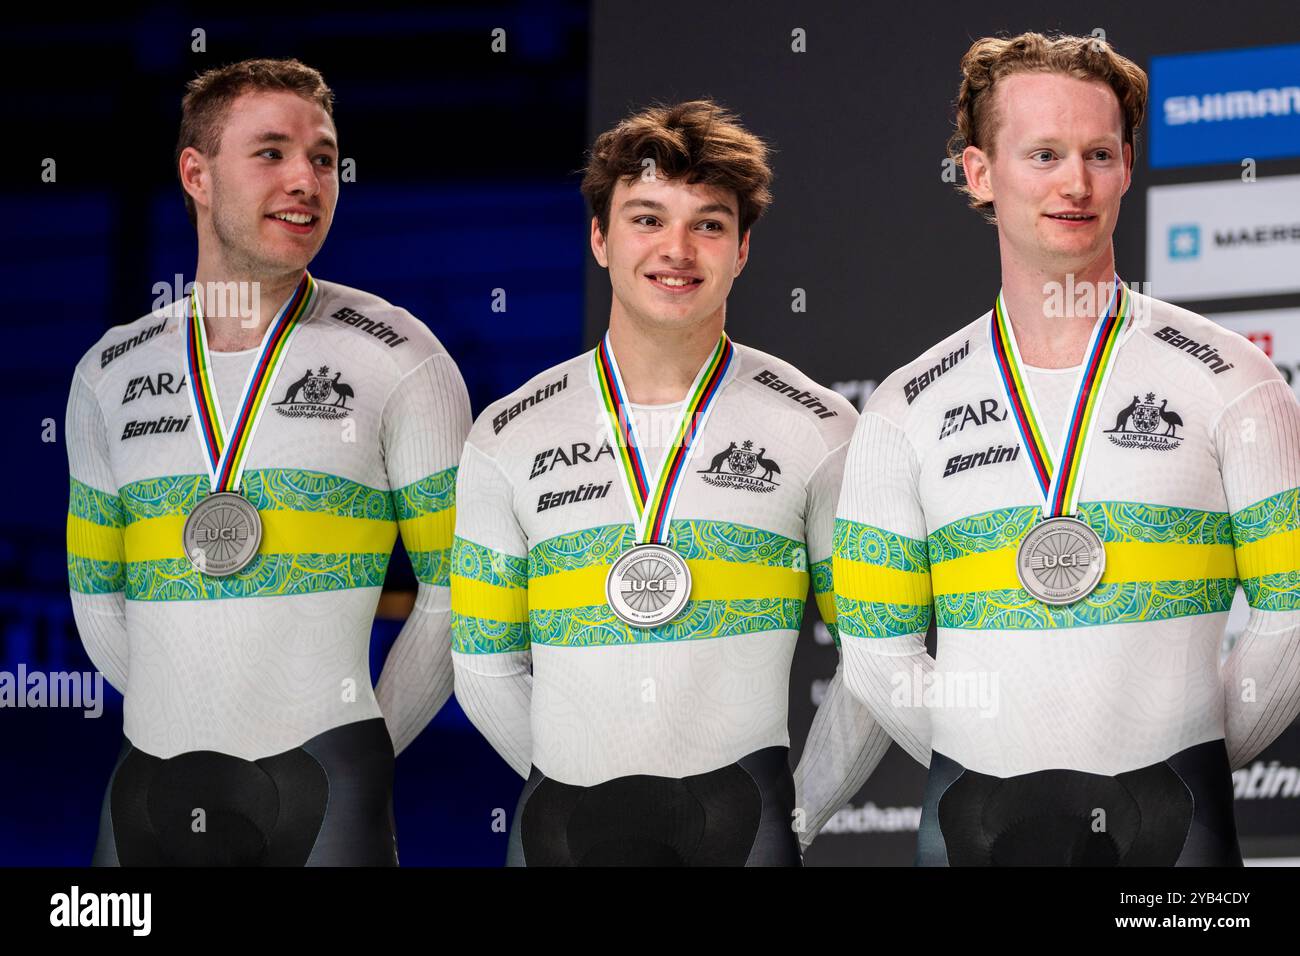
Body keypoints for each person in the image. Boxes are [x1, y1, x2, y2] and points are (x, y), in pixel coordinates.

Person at [834, 31, 1300, 866]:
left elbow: (1294, 610)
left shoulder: (1236, 379)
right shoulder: (906, 406)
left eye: (1099, 153)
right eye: (1043, 154)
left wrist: (1184, 752)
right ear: (979, 173)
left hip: (1178, 814)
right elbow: (875, 650)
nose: (1075, 183)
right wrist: (992, 750)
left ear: (1127, 167)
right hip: (974, 815)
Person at [450, 100, 889, 865]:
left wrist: (798, 813)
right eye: (647, 219)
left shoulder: (820, 430)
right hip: (562, 833)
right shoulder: (506, 435)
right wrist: (585, 794)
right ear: (599, 238)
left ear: (743, 248)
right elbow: (483, 665)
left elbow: (876, 660)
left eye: (709, 224)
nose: (677, 250)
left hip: (745, 834)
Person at [64, 58, 470, 865]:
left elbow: (458, 591)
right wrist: (188, 711)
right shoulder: (108, 370)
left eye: (323, 158)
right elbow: (97, 596)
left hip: (325, 793)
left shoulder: (401, 356)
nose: (306, 181)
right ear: (197, 173)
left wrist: (363, 747)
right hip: (147, 788)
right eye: (272, 153)